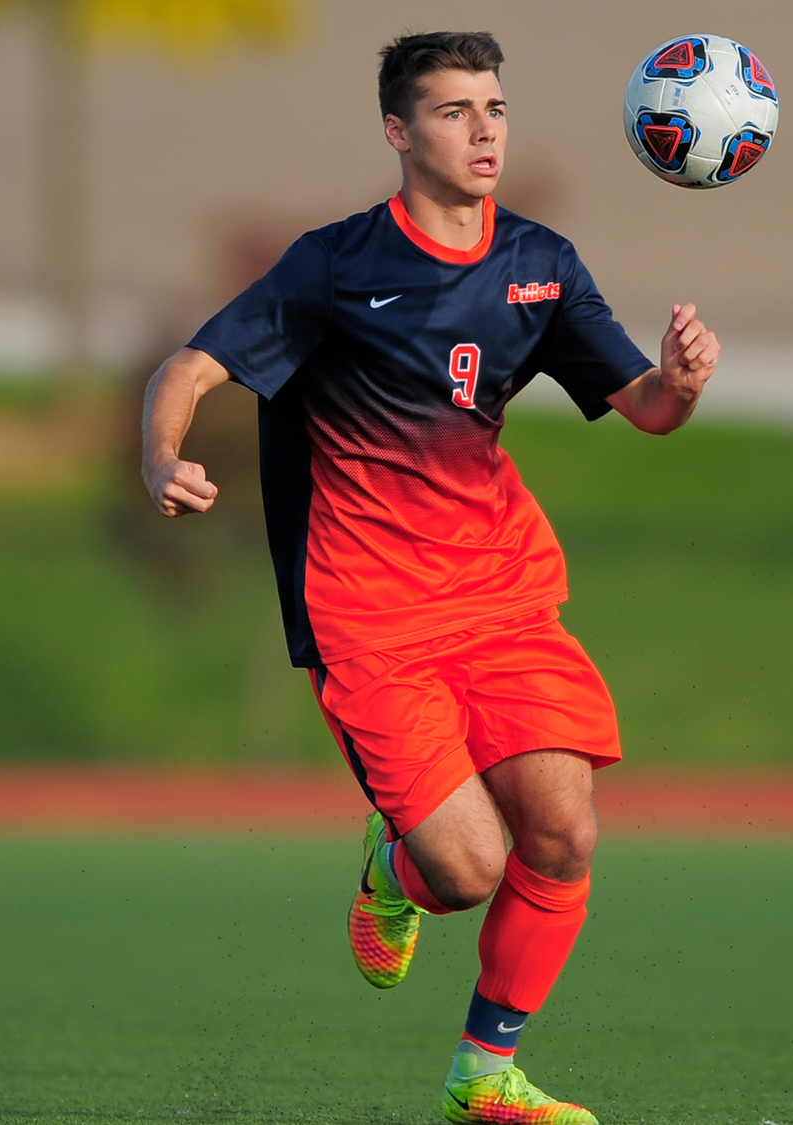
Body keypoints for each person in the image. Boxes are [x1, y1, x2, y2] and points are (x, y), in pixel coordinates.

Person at [138, 30, 719, 1125]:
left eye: (494, 107)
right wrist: (163, 455)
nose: (485, 129)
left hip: (499, 595)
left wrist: (681, 383)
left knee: (565, 830)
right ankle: (391, 870)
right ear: (399, 132)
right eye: (455, 111)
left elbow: (642, 405)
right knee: (465, 870)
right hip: (366, 617)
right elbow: (192, 363)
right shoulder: (335, 266)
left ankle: (482, 1077)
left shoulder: (538, 262)